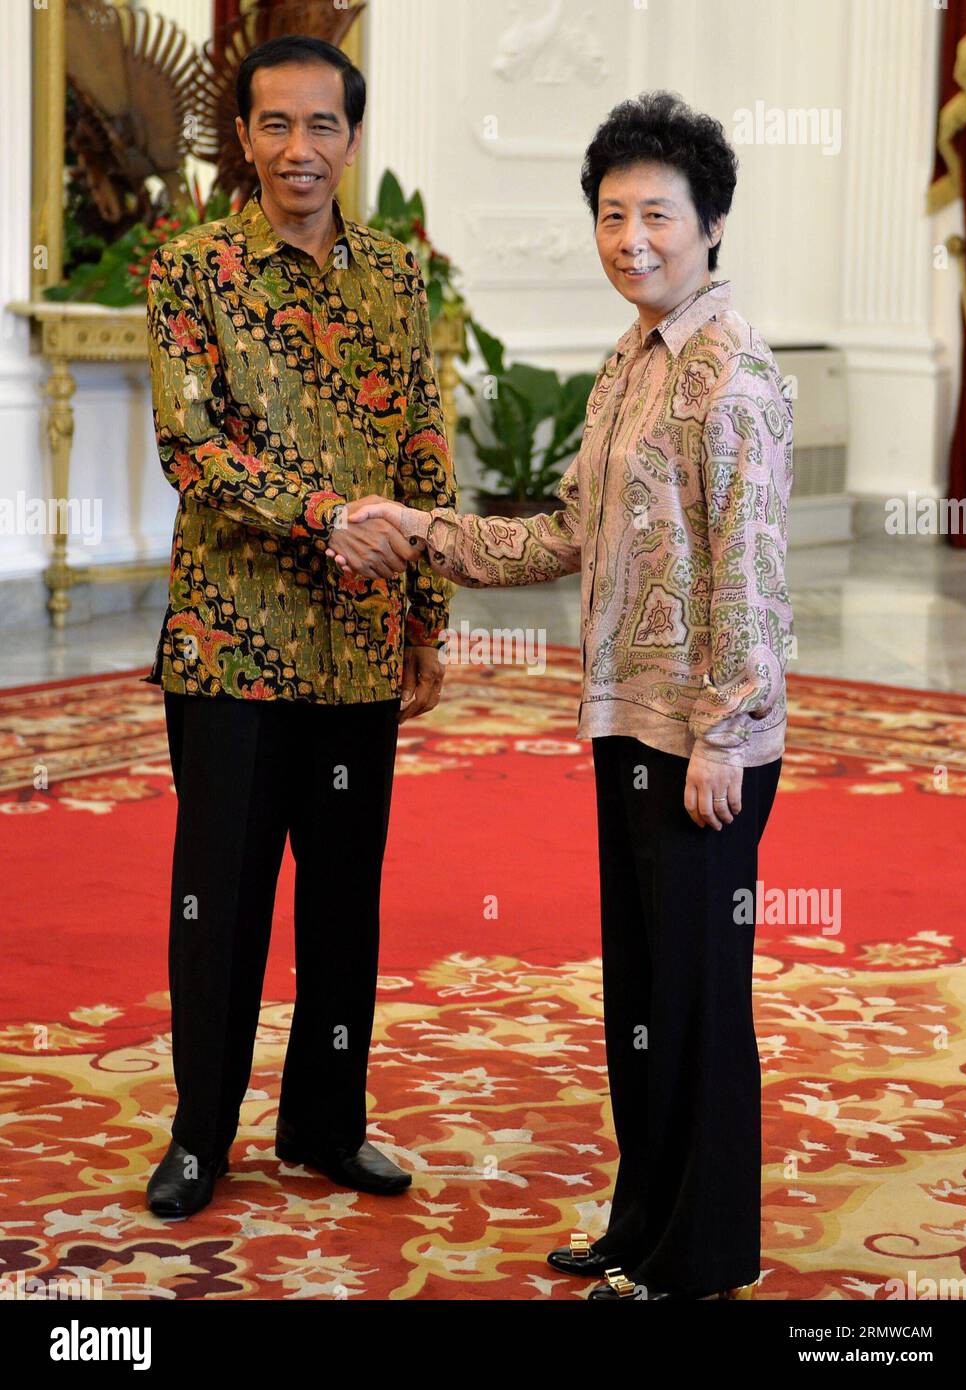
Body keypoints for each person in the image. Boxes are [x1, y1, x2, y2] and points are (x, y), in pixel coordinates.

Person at [345, 91, 793, 1301]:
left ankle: (692, 1260)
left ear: (709, 224)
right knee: (642, 994)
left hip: (703, 739)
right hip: (626, 723)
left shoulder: (729, 368)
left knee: (695, 1002)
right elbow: (562, 537)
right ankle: (638, 1225)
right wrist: (423, 532)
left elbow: (748, 567)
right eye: (609, 213)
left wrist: (722, 735)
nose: (629, 237)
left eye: (656, 212)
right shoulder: (629, 363)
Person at [143, 35, 455, 1218]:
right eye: (275, 125)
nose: (298, 150)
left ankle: (327, 1122)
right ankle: (197, 1137)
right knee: (218, 901)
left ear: (350, 137)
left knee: (342, 897)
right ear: (245, 136)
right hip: (231, 644)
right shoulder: (191, 271)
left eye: (321, 126)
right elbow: (192, 445)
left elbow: (423, 439)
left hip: (360, 650)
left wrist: (426, 613)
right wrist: (327, 515)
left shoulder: (394, 275)